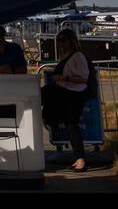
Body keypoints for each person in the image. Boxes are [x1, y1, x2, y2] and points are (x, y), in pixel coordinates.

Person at [40, 29, 93, 171]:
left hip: (74, 94)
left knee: (72, 124)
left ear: (71, 41)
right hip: (66, 92)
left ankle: (81, 159)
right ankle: (79, 159)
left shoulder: (78, 56)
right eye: (58, 40)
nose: (60, 43)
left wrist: (65, 78)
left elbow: (83, 78)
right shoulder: (66, 56)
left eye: (63, 40)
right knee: (70, 124)